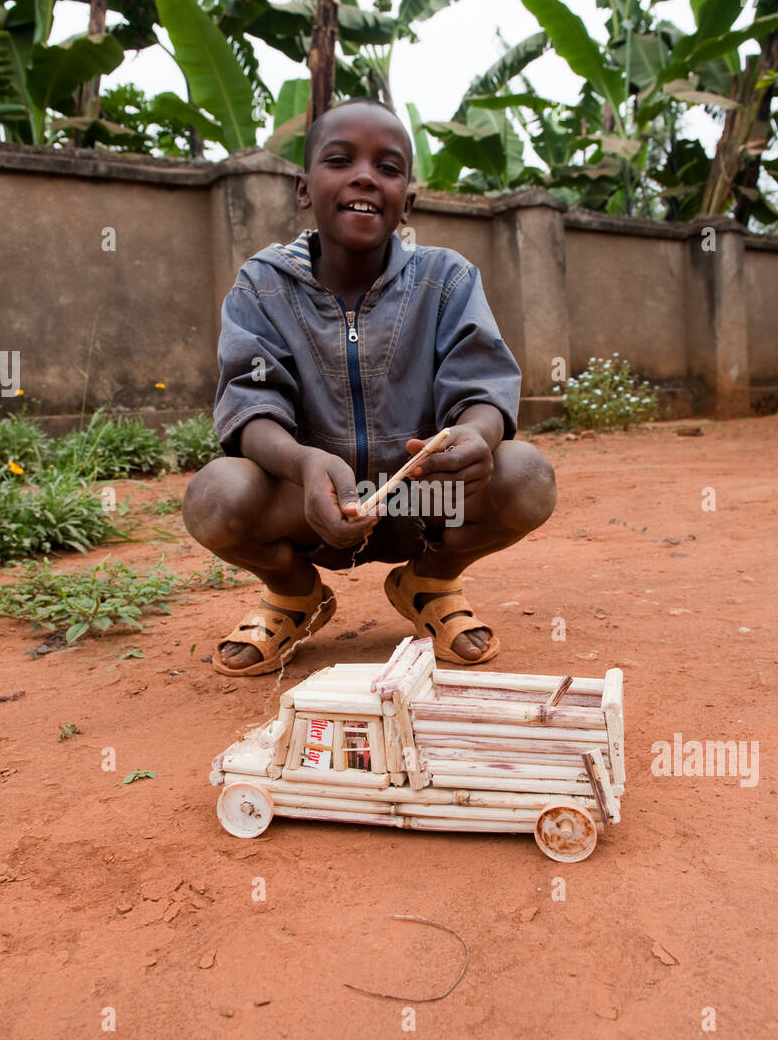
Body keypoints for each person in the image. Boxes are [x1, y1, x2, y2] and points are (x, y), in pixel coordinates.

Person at [182, 98, 557, 675]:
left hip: (421, 498)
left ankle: (429, 583)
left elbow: (481, 383)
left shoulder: (447, 279)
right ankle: (292, 593)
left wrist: (479, 435)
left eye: (387, 167)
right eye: (340, 160)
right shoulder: (262, 285)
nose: (364, 175)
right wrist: (305, 464)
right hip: (309, 500)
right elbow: (252, 405)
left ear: (406, 200)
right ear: (304, 188)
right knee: (214, 494)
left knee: (527, 475)